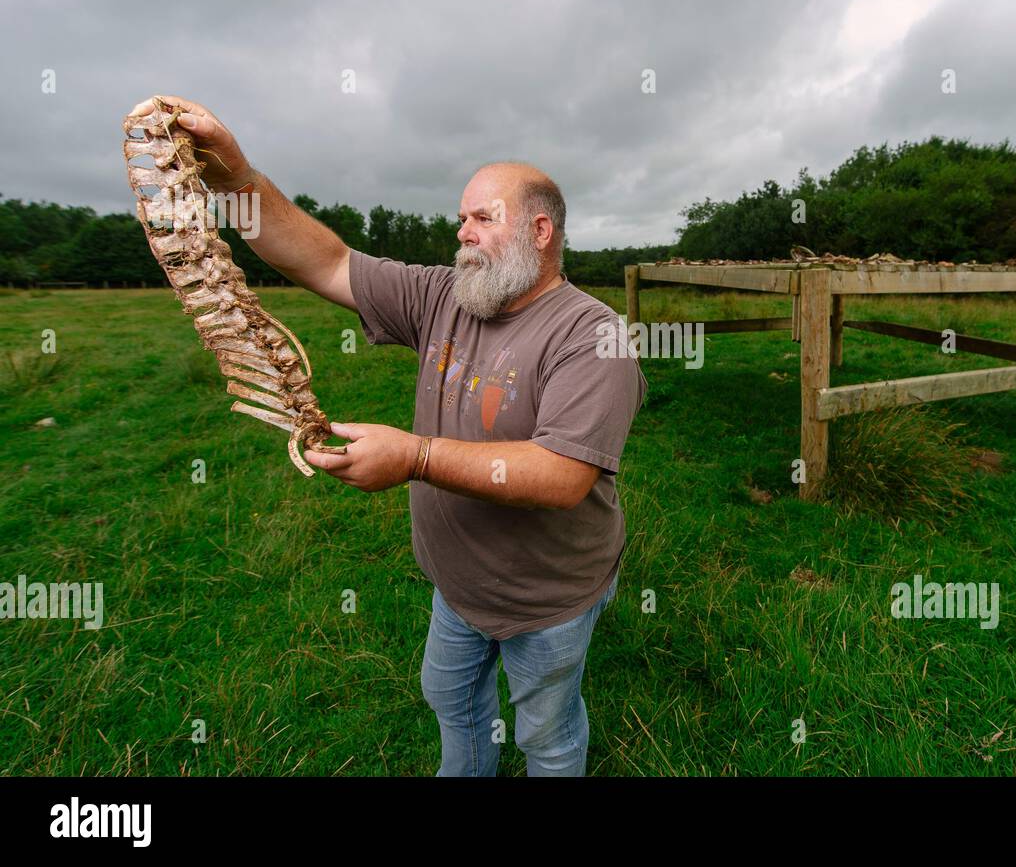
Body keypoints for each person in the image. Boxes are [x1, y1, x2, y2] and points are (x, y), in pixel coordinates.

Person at [129, 96, 647, 776]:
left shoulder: (594, 334)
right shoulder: (444, 296)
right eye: (460, 217)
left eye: (483, 218)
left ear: (541, 231)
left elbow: (561, 475)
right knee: (453, 706)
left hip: (547, 597)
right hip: (456, 585)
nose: (462, 232)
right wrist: (234, 176)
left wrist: (415, 455)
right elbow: (324, 261)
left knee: (545, 737)